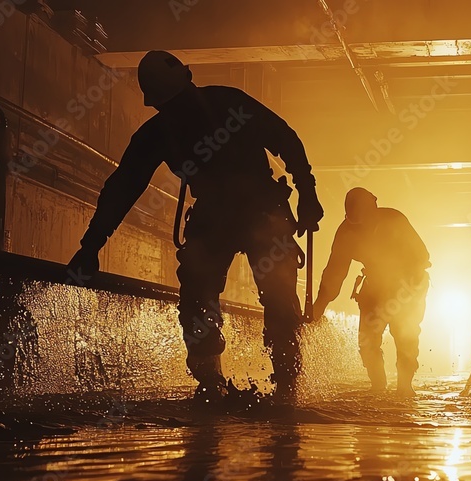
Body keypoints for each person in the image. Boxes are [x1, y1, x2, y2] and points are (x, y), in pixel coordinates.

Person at [66, 50, 323, 404]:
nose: (177, 113)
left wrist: (308, 193)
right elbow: (123, 187)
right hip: (235, 214)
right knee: (207, 299)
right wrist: (91, 244)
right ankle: (222, 385)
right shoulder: (196, 115)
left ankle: (276, 388)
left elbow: (286, 139)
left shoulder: (191, 117)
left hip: (255, 211)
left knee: (265, 298)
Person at [311, 188, 430, 396]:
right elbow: (335, 271)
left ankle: (404, 386)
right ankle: (378, 386)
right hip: (375, 286)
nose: (362, 226)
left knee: (406, 337)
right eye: (356, 221)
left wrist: (406, 282)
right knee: (367, 340)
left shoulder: (394, 220)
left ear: (374, 206)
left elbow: (422, 255)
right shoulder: (347, 232)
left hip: (408, 286)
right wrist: (319, 305)